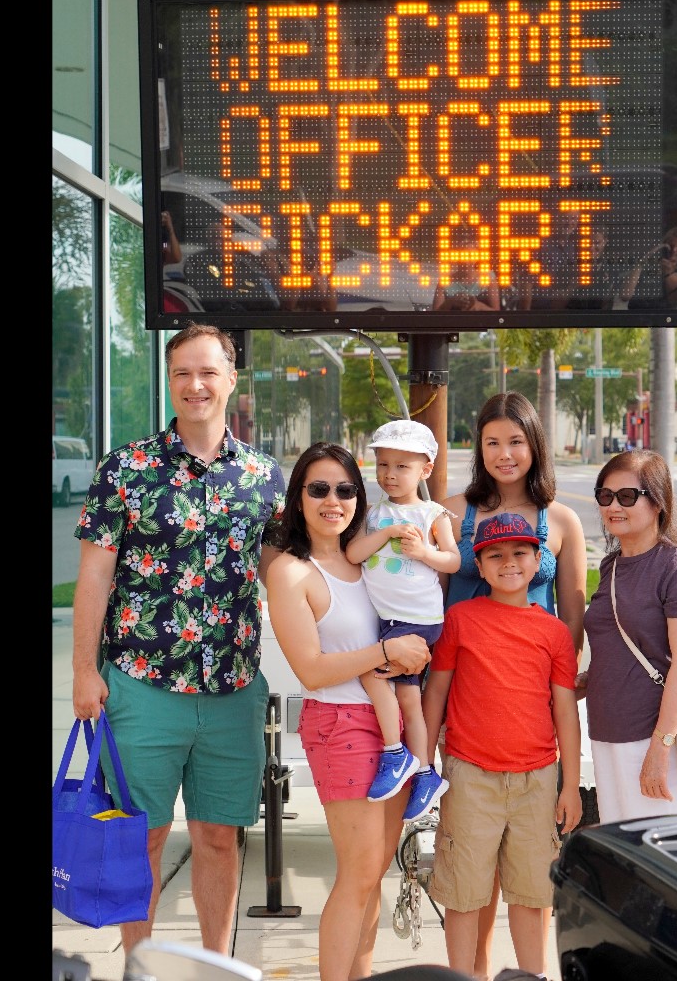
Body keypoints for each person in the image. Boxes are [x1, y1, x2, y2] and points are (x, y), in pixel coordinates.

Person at [69, 323, 285, 956]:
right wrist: (86, 672)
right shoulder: (125, 470)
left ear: (231, 379)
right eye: (183, 373)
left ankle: (216, 965)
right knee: (146, 838)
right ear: (170, 381)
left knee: (219, 836)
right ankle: (138, 965)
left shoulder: (264, 478)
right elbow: (94, 577)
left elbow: (286, 576)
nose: (195, 385)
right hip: (143, 687)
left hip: (233, 690)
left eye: (208, 372)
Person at [262, 442, 436, 981]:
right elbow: (311, 670)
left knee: (375, 872)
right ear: (297, 500)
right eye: (318, 489)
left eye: (345, 489)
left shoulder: (368, 558)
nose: (333, 500)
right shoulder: (293, 573)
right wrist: (389, 652)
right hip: (342, 726)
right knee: (358, 873)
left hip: (396, 728)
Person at [437, 390, 588, 972]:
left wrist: (544, 696)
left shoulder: (562, 520)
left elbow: (570, 620)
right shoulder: (451, 513)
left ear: (535, 445)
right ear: (478, 447)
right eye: (492, 441)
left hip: (530, 708)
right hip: (470, 710)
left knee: (526, 876)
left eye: (516, 441)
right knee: (473, 875)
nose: (504, 453)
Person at [421, 512, 582, 979]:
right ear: (480, 563)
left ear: (537, 562)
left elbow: (565, 712)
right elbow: (437, 692)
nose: (508, 563)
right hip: (470, 777)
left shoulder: (553, 632)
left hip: (536, 781)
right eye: (496, 554)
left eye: (519, 553)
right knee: (465, 895)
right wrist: (426, 764)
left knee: (532, 896)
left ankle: (532, 976)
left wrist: (568, 785)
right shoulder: (461, 619)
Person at [582, 449, 677, 822]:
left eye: (626, 496)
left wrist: (661, 747)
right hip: (606, 733)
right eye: (605, 496)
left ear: (657, 503)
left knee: (659, 860)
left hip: (654, 736)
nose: (613, 506)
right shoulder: (612, 566)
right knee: (621, 858)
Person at [344, 418, 461, 820]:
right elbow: (354, 554)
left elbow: (454, 558)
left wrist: (424, 553)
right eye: (383, 465)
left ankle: (397, 754)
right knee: (407, 695)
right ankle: (424, 771)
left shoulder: (433, 514)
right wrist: (387, 531)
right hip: (389, 619)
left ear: (425, 469)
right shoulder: (374, 513)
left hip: (416, 618)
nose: (390, 475)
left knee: (371, 675)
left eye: (402, 466)